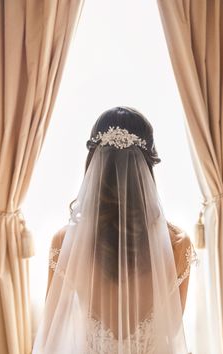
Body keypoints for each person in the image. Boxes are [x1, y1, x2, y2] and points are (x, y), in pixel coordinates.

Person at [32, 106, 198, 354]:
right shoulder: (177, 243)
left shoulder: (65, 241)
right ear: (147, 166)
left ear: (94, 163)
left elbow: (51, 332)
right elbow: (172, 328)